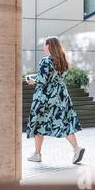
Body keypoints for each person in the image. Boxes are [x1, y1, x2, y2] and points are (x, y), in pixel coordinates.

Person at [25, 36, 85, 165]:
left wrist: (32, 80)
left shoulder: (45, 61)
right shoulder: (62, 61)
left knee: (38, 122)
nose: (43, 47)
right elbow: (55, 77)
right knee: (63, 123)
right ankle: (76, 148)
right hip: (61, 96)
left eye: (44, 45)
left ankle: (37, 154)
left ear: (48, 46)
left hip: (46, 97)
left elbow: (42, 80)